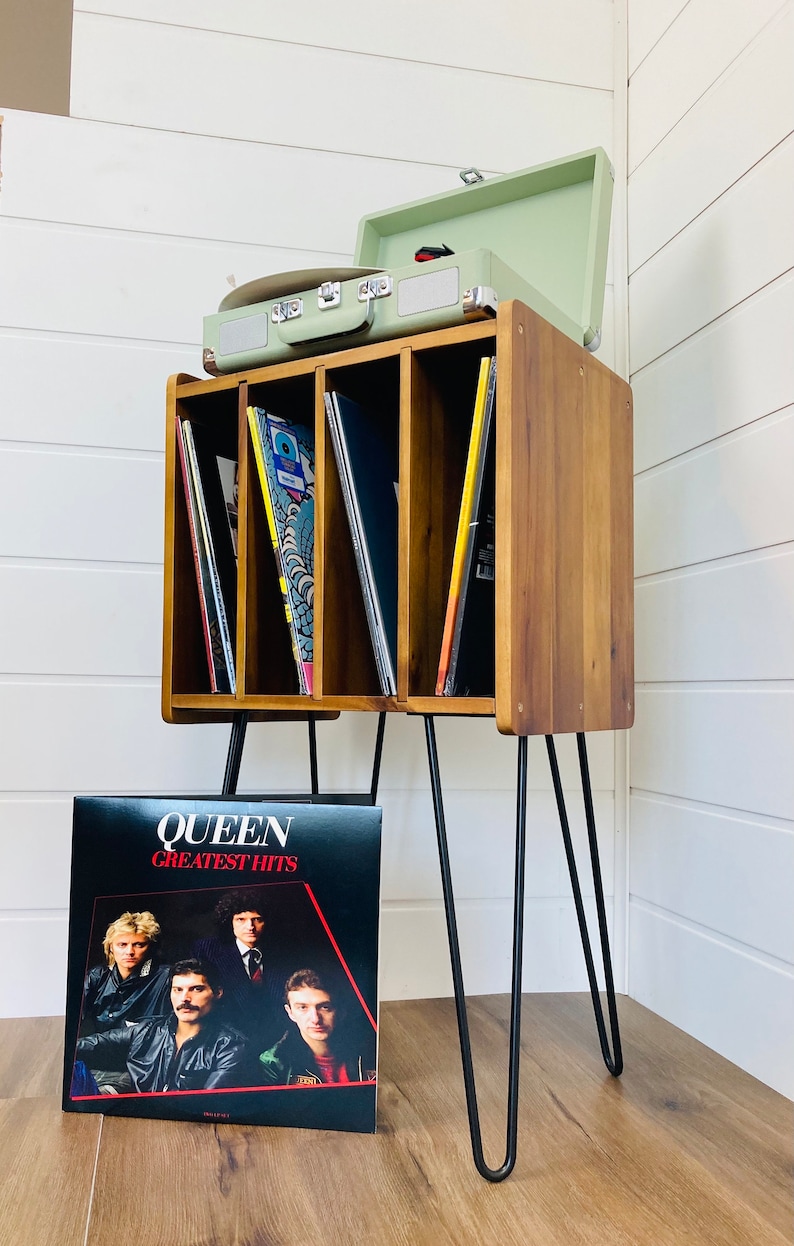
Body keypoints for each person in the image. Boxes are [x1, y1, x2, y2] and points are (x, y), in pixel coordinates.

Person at [75, 959, 250, 1094]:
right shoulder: (149, 1030)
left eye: (196, 989)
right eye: (178, 990)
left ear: (217, 993)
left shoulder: (231, 1046)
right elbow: (94, 1043)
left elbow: (204, 1104)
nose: (185, 999)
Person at [78, 910, 172, 1093]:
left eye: (138, 945)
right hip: (96, 1062)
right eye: (122, 944)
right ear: (110, 947)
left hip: (138, 1071)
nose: (129, 951)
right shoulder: (98, 976)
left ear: (150, 947)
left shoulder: (166, 978)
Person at [193, 889, 284, 1047]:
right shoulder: (208, 949)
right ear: (230, 922)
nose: (250, 926)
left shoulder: (283, 951)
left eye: (257, 919)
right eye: (241, 919)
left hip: (277, 1039)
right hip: (226, 1040)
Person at [258, 969, 376, 1087]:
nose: (315, 1019)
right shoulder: (274, 1062)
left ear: (341, 1011)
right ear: (290, 1013)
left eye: (325, 1007)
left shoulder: (370, 1050)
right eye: (303, 1008)